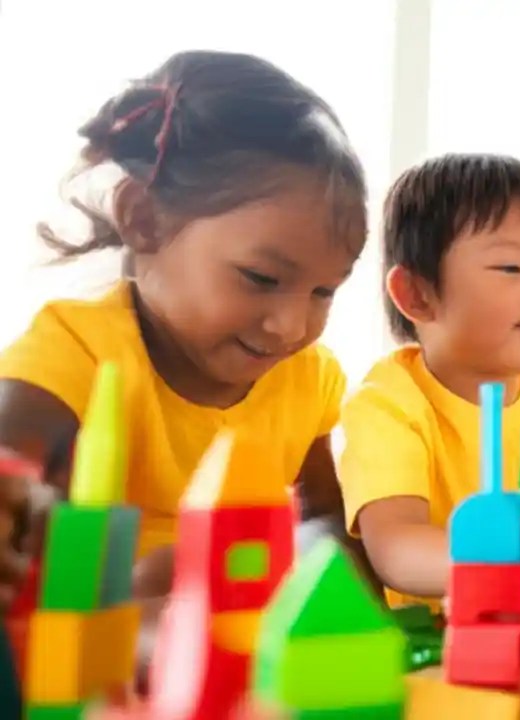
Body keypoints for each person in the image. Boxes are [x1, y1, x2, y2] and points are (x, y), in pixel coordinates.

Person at [0, 50, 366, 611]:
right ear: (144, 220)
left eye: (324, 291)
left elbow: (326, 522)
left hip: (237, 658)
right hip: (83, 654)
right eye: (260, 277)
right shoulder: (76, 351)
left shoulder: (307, 380)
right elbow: (10, 468)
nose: (292, 327)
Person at [338, 154, 520, 611]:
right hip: (438, 656)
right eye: (511, 268)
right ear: (418, 294)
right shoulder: (387, 403)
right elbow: (397, 550)